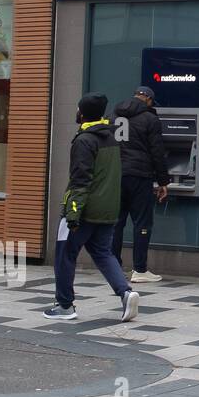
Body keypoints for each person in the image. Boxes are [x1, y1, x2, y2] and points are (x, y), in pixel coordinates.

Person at [45, 93, 139, 323]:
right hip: (108, 210)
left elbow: (80, 180)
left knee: (65, 255)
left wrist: (72, 215)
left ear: (83, 112)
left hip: (84, 209)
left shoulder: (84, 141)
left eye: (78, 108)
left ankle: (65, 305)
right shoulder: (111, 137)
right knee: (103, 253)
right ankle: (126, 293)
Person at [110, 86, 170, 283]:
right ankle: (140, 269)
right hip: (139, 175)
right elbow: (157, 152)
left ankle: (113, 267)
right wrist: (163, 181)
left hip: (117, 173)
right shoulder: (150, 119)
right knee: (142, 222)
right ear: (149, 100)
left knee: (117, 222)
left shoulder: (114, 115)